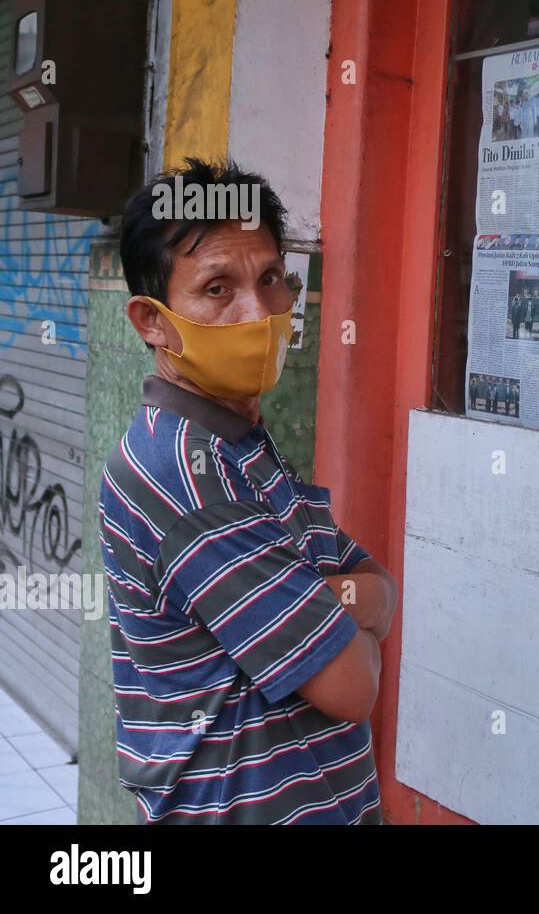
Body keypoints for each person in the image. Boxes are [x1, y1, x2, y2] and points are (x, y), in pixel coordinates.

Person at [103, 158, 394, 824]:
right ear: (152, 321)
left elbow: (377, 582)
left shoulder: (239, 442)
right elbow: (354, 684)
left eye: (269, 279)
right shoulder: (185, 475)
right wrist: (353, 609)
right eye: (217, 288)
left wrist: (338, 600)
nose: (257, 311)